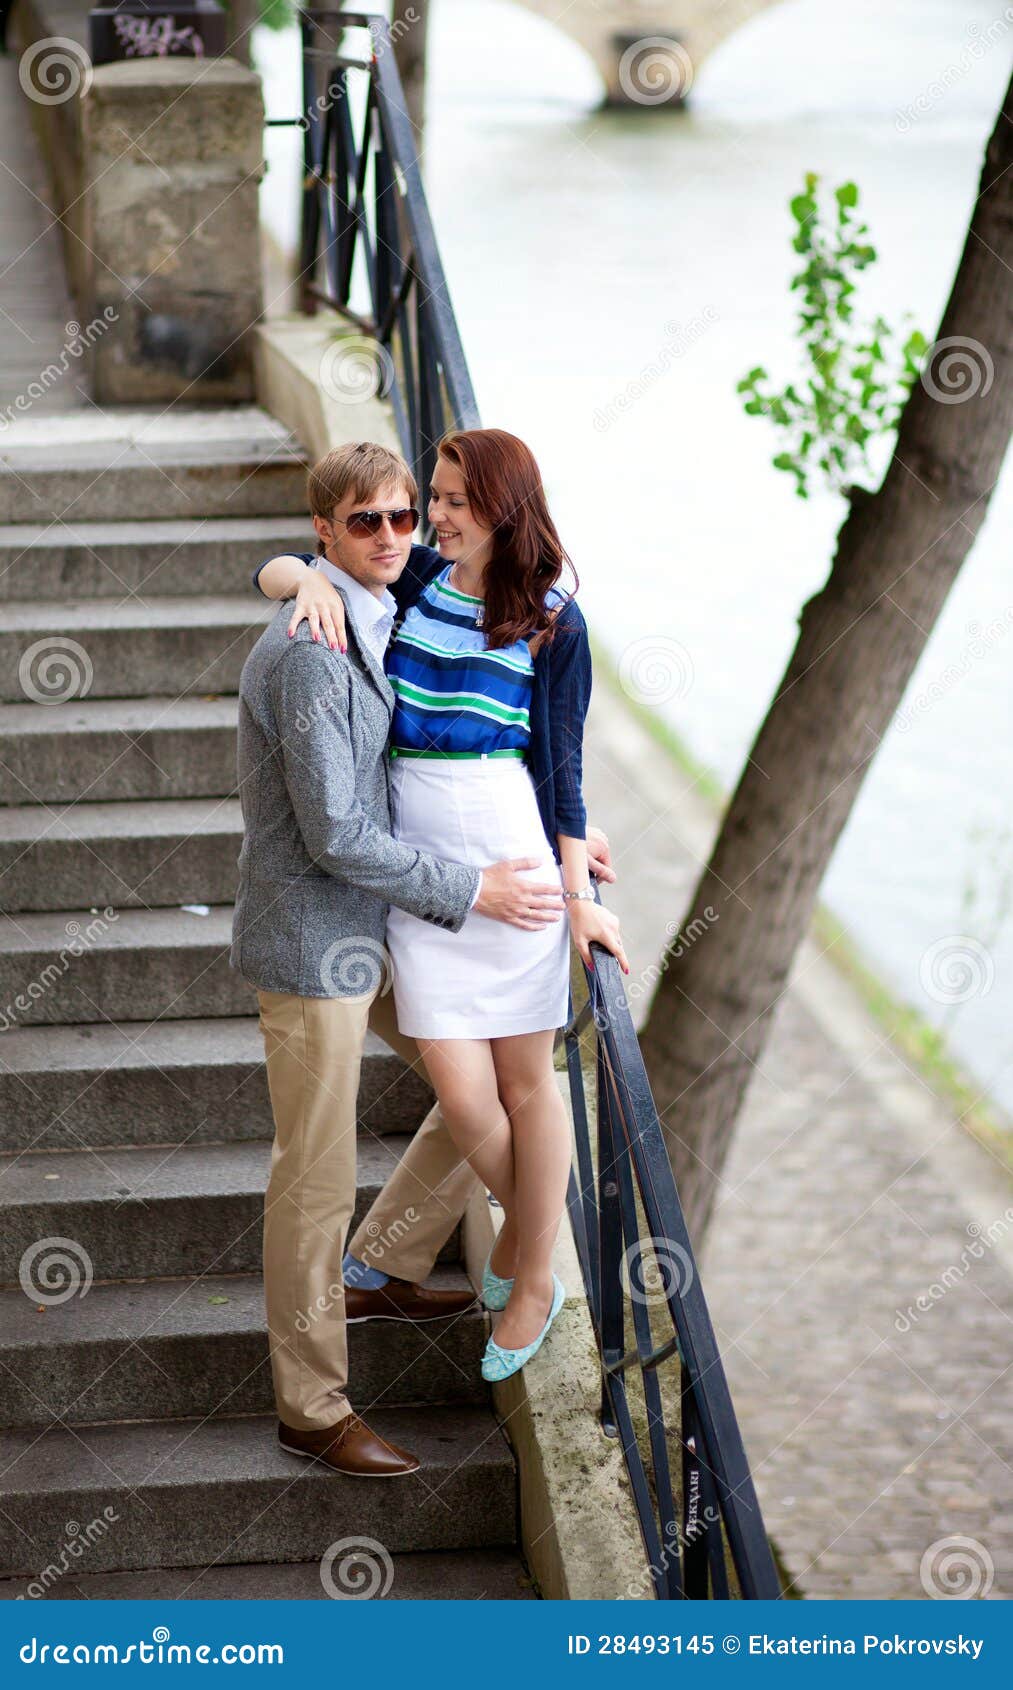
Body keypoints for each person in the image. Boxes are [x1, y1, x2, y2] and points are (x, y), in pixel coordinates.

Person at [232, 440, 579, 1478]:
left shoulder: (375, 606)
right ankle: (311, 1405)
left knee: (459, 1073)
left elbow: (534, 745)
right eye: (368, 522)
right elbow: (337, 832)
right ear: (323, 532)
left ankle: (384, 1261)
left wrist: (574, 857)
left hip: (375, 926)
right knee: (312, 1173)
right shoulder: (308, 653)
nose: (394, 535)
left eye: (403, 517)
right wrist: (470, 889)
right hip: (315, 941)